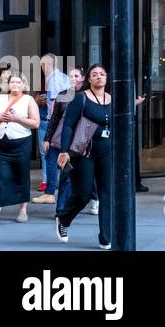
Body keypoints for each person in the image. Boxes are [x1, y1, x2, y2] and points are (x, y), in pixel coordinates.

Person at [55, 64, 116, 248]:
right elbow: (68, 125)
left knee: (106, 192)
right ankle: (64, 219)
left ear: (106, 78)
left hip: (106, 150)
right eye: (94, 74)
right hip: (84, 151)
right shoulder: (80, 98)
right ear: (88, 79)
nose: (99, 77)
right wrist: (64, 151)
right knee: (82, 193)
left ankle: (106, 236)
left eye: (102, 74)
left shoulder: (112, 99)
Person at [0, 72, 40, 226]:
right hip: (1, 143)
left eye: (18, 82)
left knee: (22, 175)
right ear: (8, 84)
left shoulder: (29, 100)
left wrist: (17, 119)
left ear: (23, 84)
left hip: (21, 143)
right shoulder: (0, 98)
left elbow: (35, 123)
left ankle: (22, 210)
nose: (15, 85)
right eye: (12, 82)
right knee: (0, 176)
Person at [42, 68, 96, 218]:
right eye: (71, 76)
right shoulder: (63, 95)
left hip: (86, 140)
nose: (73, 78)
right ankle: (61, 210)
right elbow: (54, 118)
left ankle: (94, 198)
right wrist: (47, 138)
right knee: (66, 174)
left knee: (88, 173)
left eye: (76, 76)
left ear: (83, 78)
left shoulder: (89, 95)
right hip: (66, 140)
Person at [37, 54, 68, 197]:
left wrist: (50, 125)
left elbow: (54, 104)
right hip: (64, 123)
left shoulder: (54, 80)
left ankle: (50, 190)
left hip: (54, 122)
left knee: (49, 155)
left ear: (45, 66)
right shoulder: (63, 77)